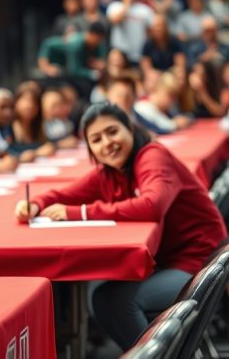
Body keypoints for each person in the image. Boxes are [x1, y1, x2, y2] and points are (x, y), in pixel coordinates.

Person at [14, 102, 226, 352]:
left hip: (199, 263)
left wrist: (80, 212)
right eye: (96, 139)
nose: (107, 143)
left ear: (129, 128)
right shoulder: (108, 173)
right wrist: (34, 205)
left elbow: (152, 205)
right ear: (90, 148)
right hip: (170, 260)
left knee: (114, 302)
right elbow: (62, 195)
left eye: (112, 132)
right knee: (104, 297)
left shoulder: (152, 155)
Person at [107, 0, 154, 65]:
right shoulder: (115, 6)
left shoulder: (145, 9)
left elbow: (152, 31)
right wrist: (127, 3)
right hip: (119, 57)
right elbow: (115, 19)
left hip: (138, 55)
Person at [139, 14, 185, 80]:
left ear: (166, 27)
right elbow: (146, 67)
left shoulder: (174, 42)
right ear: (152, 28)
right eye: (156, 26)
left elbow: (180, 64)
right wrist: (155, 74)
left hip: (172, 75)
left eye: (161, 25)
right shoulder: (147, 44)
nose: (159, 28)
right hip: (156, 75)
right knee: (150, 77)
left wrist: (173, 74)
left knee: (180, 75)